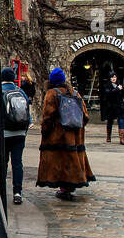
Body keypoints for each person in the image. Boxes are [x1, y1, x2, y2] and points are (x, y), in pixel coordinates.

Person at [36, 66, 95, 201]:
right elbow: (85, 115)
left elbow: (48, 116)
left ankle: (64, 187)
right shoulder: (75, 93)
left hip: (59, 135)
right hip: (75, 134)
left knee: (60, 162)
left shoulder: (52, 94)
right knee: (72, 160)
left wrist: (45, 131)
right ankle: (70, 185)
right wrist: (77, 128)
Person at [0, 67, 30, 204]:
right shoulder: (20, 91)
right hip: (20, 133)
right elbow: (27, 114)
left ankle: (1, 192)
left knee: (3, 162)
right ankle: (17, 192)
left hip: (5, 133)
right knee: (17, 163)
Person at [101, 71, 124, 144]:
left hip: (119, 106)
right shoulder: (107, 86)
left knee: (121, 121)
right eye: (112, 77)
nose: (113, 79)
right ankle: (108, 136)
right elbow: (108, 94)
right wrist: (117, 89)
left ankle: (122, 138)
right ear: (109, 78)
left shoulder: (120, 85)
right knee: (110, 121)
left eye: (114, 77)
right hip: (111, 107)